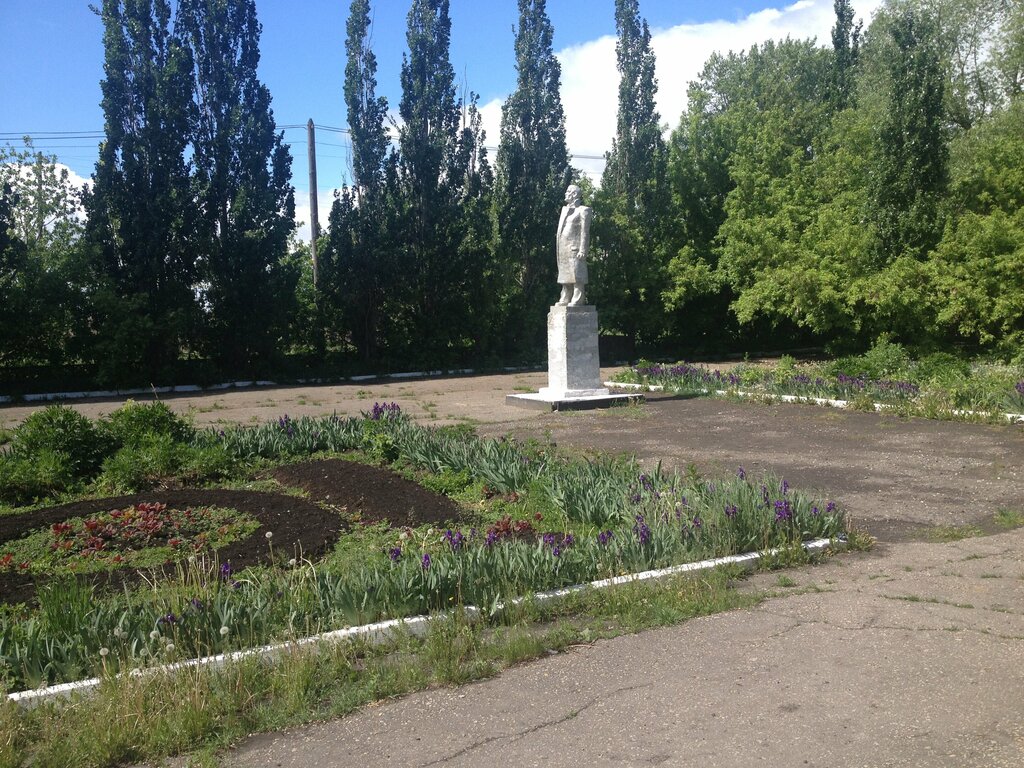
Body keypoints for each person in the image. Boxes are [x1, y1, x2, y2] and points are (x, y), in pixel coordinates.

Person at [555, 184, 592, 306]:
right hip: (563, 248)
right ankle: (565, 297)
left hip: (574, 248)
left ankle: (578, 298)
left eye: (568, 191)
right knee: (565, 274)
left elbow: (585, 232)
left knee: (577, 275)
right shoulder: (564, 210)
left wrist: (583, 249)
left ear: (574, 194)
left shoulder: (583, 210)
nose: (565, 194)